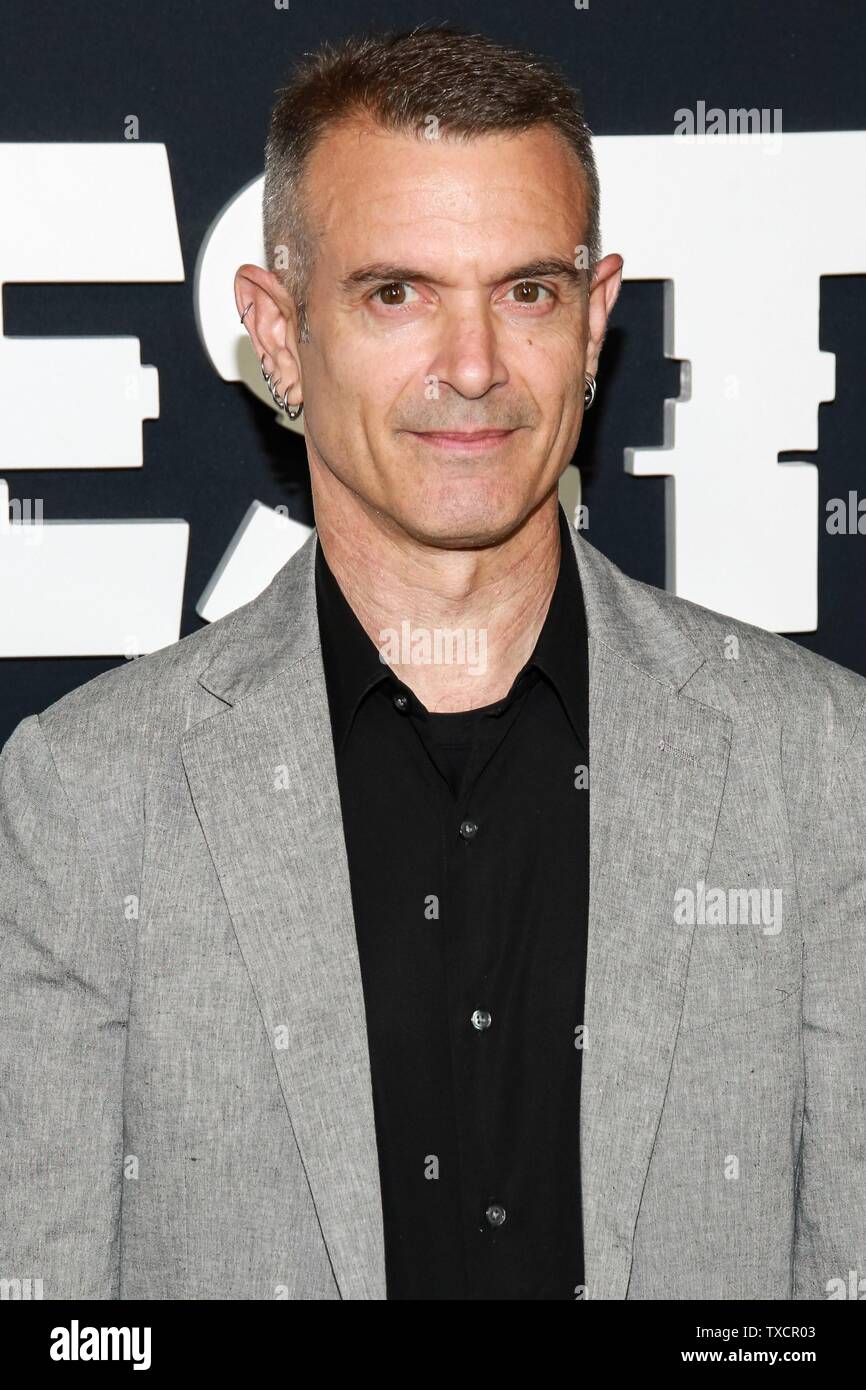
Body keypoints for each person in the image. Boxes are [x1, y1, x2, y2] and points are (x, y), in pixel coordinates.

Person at [1, 25, 864, 1301]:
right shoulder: (84, 796)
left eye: (526, 291)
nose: (471, 369)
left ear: (594, 322)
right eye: (394, 292)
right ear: (277, 334)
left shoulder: (818, 762)